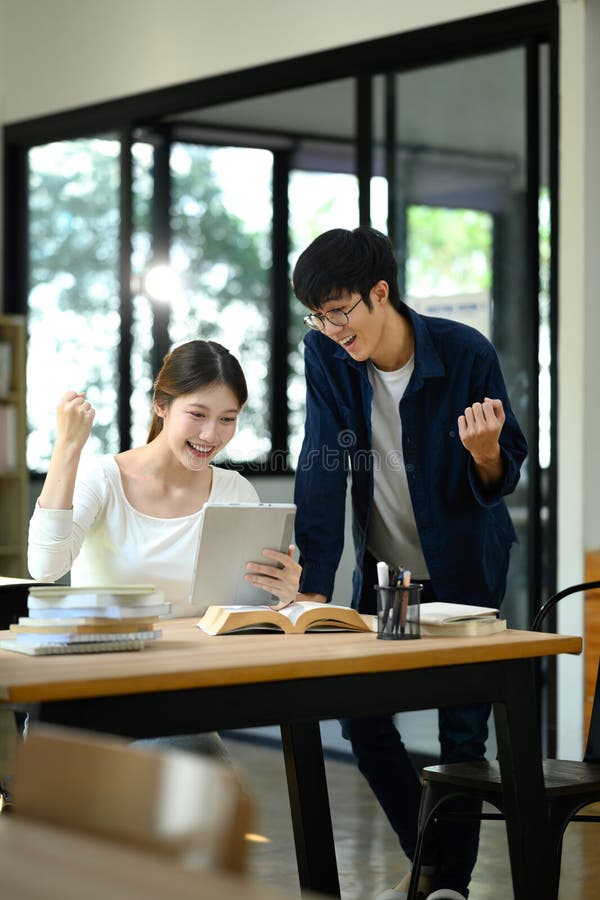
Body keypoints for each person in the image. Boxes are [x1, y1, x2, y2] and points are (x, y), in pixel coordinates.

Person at [291, 227, 528, 900]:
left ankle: (445, 883)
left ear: (380, 293)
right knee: (363, 717)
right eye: (317, 314)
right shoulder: (325, 355)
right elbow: (319, 465)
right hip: (392, 577)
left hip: (464, 570)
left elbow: (501, 470)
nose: (329, 327)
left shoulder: (461, 352)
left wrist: (483, 451)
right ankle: (428, 857)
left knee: (461, 731)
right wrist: (313, 588)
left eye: (339, 310)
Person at [28, 339, 301, 755]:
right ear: (161, 405)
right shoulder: (102, 479)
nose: (212, 435)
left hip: (179, 699)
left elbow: (244, 611)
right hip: (89, 695)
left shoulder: (234, 491)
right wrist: (67, 449)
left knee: (200, 783)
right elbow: (44, 566)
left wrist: (281, 596)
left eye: (228, 419)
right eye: (197, 414)